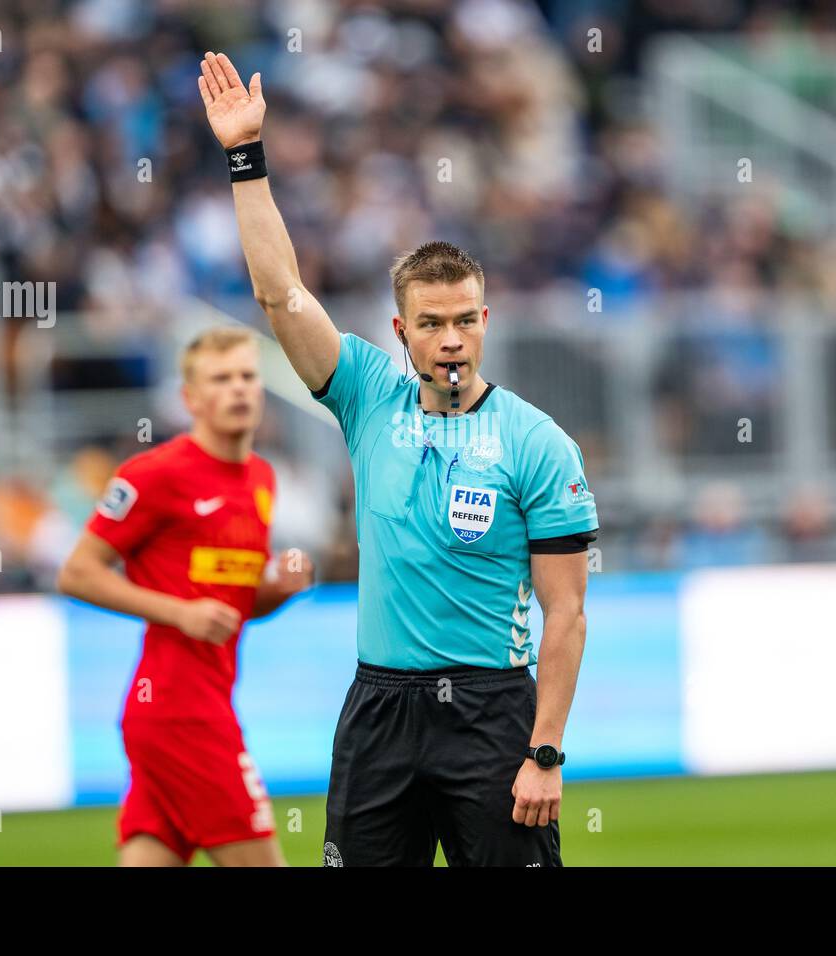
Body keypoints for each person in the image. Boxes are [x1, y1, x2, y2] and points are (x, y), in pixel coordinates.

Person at [199, 51, 599, 866]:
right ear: (400, 330)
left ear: (485, 320)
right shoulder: (366, 397)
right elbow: (282, 295)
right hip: (381, 707)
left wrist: (546, 752)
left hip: (492, 714)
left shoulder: (537, 443)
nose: (451, 339)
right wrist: (246, 158)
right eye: (431, 323)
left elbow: (565, 613)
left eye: (464, 320)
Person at [57, 327, 314, 866]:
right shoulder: (154, 476)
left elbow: (233, 605)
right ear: (190, 398)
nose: (239, 389)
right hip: (181, 712)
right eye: (221, 379)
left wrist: (275, 591)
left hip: (198, 702)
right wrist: (179, 613)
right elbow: (78, 573)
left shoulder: (262, 479)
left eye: (248, 376)